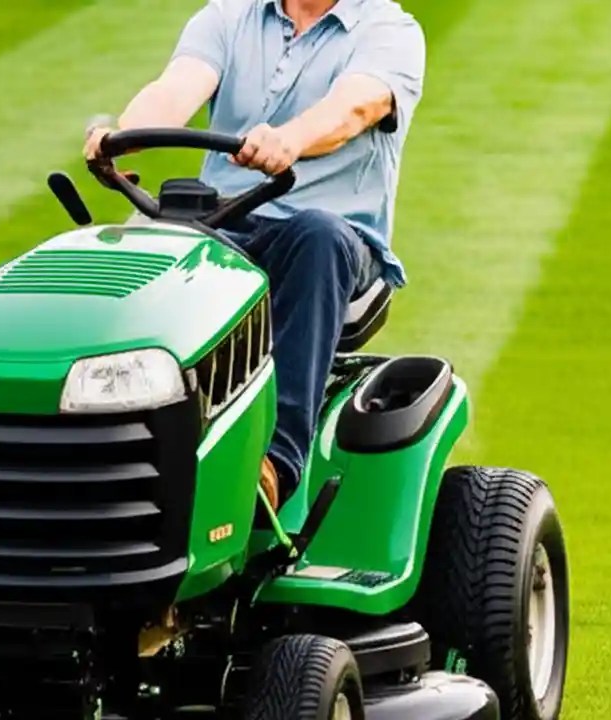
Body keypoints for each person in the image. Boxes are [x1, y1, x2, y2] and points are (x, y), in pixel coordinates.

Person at [84, 0, 425, 511]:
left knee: (317, 236)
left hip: (333, 236)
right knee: (134, 247)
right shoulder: (229, 17)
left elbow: (354, 107)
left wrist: (290, 140)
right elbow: (178, 86)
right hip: (223, 221)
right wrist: (123, 136)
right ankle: (100, 446)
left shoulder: (388, 29)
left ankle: (275, 466)